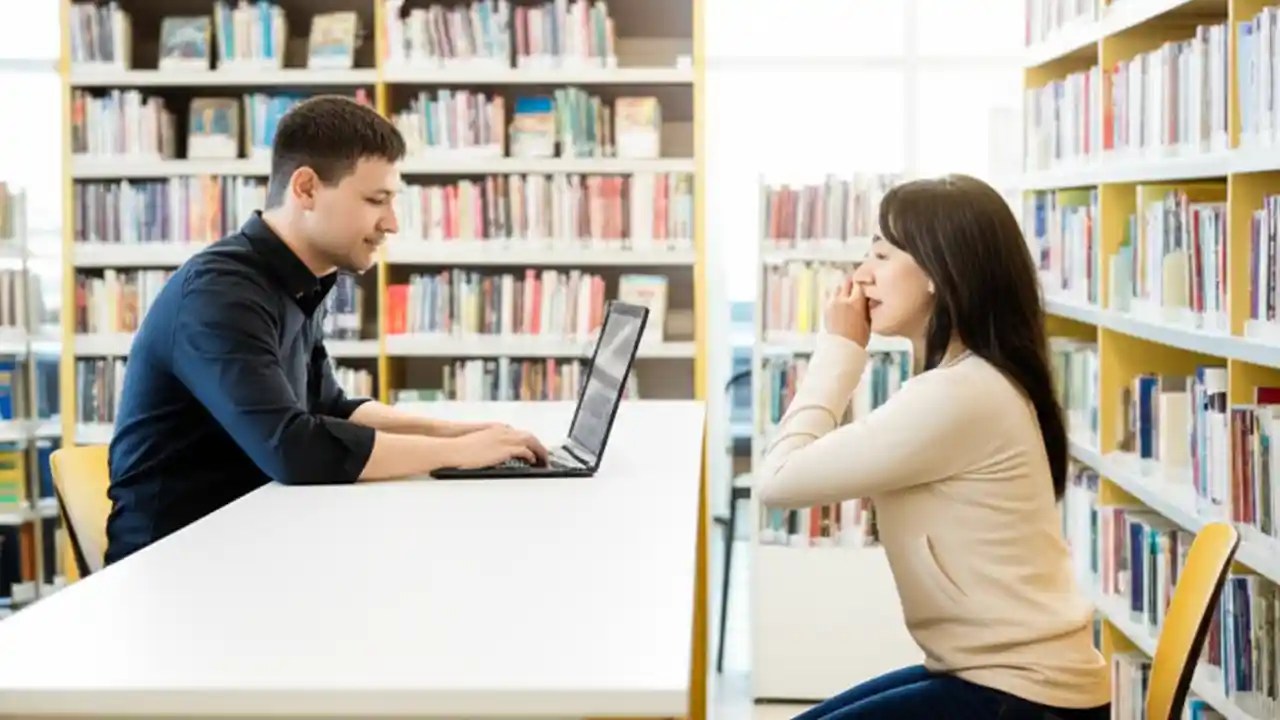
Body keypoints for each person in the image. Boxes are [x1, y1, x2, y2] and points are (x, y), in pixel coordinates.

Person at [105, 96, 547, 566]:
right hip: (175, 569)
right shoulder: (220, 295)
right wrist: (458, 454)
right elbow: (293, 449)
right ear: (307, 188)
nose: (391, 223)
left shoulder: (301, 278)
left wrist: (458, 435)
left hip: (251, 542)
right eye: (376, 200)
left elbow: (329, 408)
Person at [757, 174, 1110, 719]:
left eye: (882, 254)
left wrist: (839, 351)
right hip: (990, 676)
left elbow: (777, 482)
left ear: (939, 275)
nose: (862, 275)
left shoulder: (959, 395)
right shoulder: (966, 380)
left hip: (1026, 696)